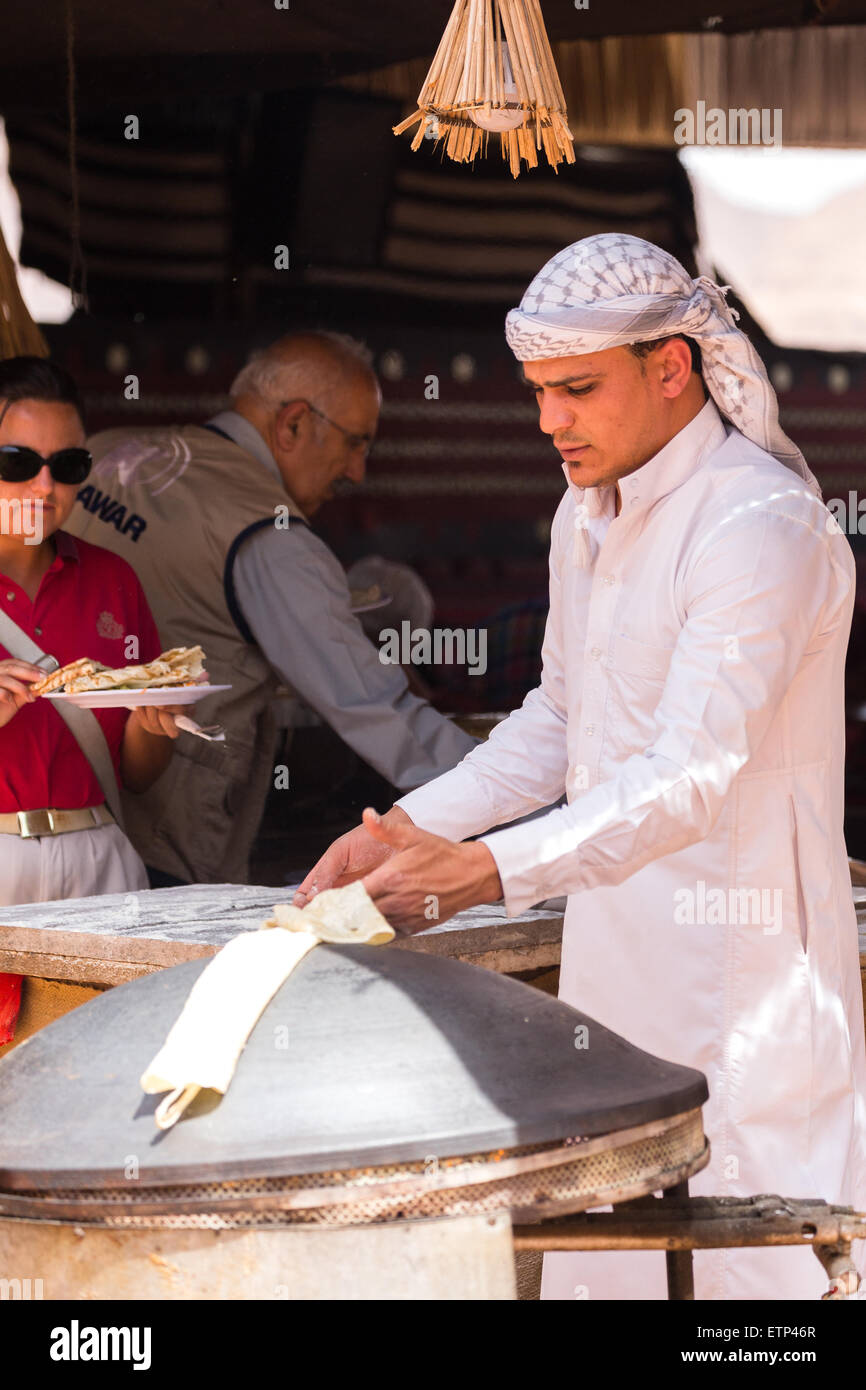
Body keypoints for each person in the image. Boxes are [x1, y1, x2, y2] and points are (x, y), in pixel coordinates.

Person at [296, 234, 866, 1301]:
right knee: (613, 1243)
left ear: (671, 369)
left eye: (574, 389)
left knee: (749, 1265)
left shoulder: (754, 524)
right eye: (536, 393)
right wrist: (404, 829)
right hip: (613, 943)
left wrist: (484, 872)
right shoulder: (583, 509)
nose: (548, 420)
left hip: (745, 964)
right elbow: (561, 716)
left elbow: (689, 773)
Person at [65, 332, 474, 886]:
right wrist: (520, 799)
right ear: (294, 425)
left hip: (49, 820)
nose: (358, 471)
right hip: (157, 853)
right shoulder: (272, 537)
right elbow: (377, 711)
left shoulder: (103, 451)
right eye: (355, 443)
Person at [0, 357, 185, 1044]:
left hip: (98, 852)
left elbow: (134, 775)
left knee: (108, 1057)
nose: (43, 485)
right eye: (17, 460)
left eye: (68, 463)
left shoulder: (112, 579)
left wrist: (156, 723)